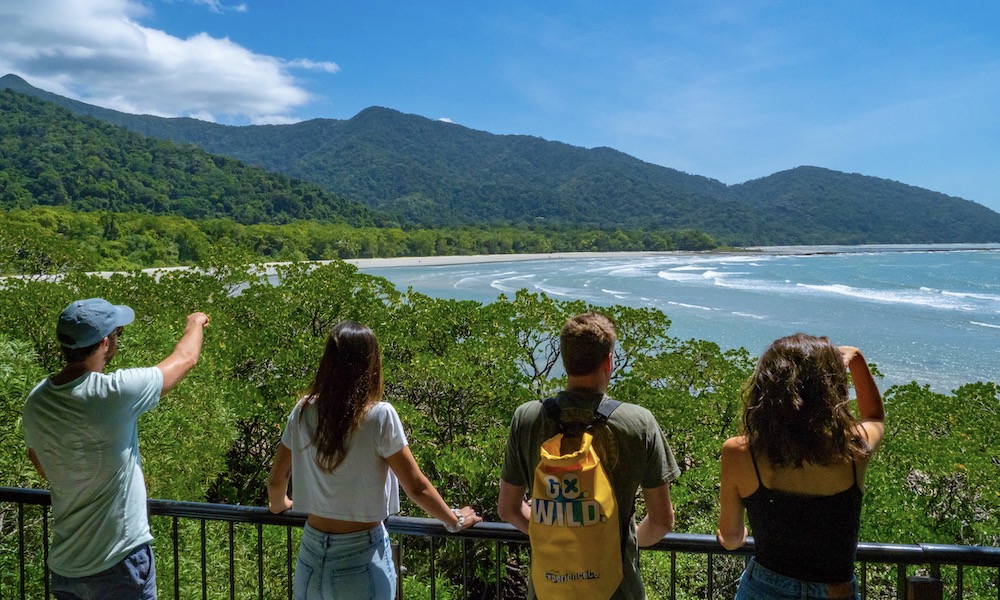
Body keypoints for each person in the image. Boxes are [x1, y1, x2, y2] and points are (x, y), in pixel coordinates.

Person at [267, 320, 482, 599]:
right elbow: (416, 487)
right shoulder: (379, 416)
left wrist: (280, 505)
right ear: (370, 364)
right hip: (361, 556)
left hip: (310, 554)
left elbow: (277, 479)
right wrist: (454, 520)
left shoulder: (303, 410)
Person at [22, 298, 210, 599]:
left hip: (66, 567)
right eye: (117, 334)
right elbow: (185, 358)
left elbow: (40, 462)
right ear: (105, 343)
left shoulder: (36, 402)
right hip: (119, 563)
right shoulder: (114, 393)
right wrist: (195, 322)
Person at [498, 311, 680, 599]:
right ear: (608, 361)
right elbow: (661, 521)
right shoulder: (639, 423)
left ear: (564, 359)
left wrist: (560, 534)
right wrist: (615, 542)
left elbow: (508, 509)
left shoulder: (527, 418)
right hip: (618, 590)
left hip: (548, 590)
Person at [716, 333, 886, 600]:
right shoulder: (853, 449)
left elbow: (730, 538)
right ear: (830, 390)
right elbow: (874, 417)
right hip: (836, 592)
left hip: (764, 589)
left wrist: (738, 536)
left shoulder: (741, 452)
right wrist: (857, 361)